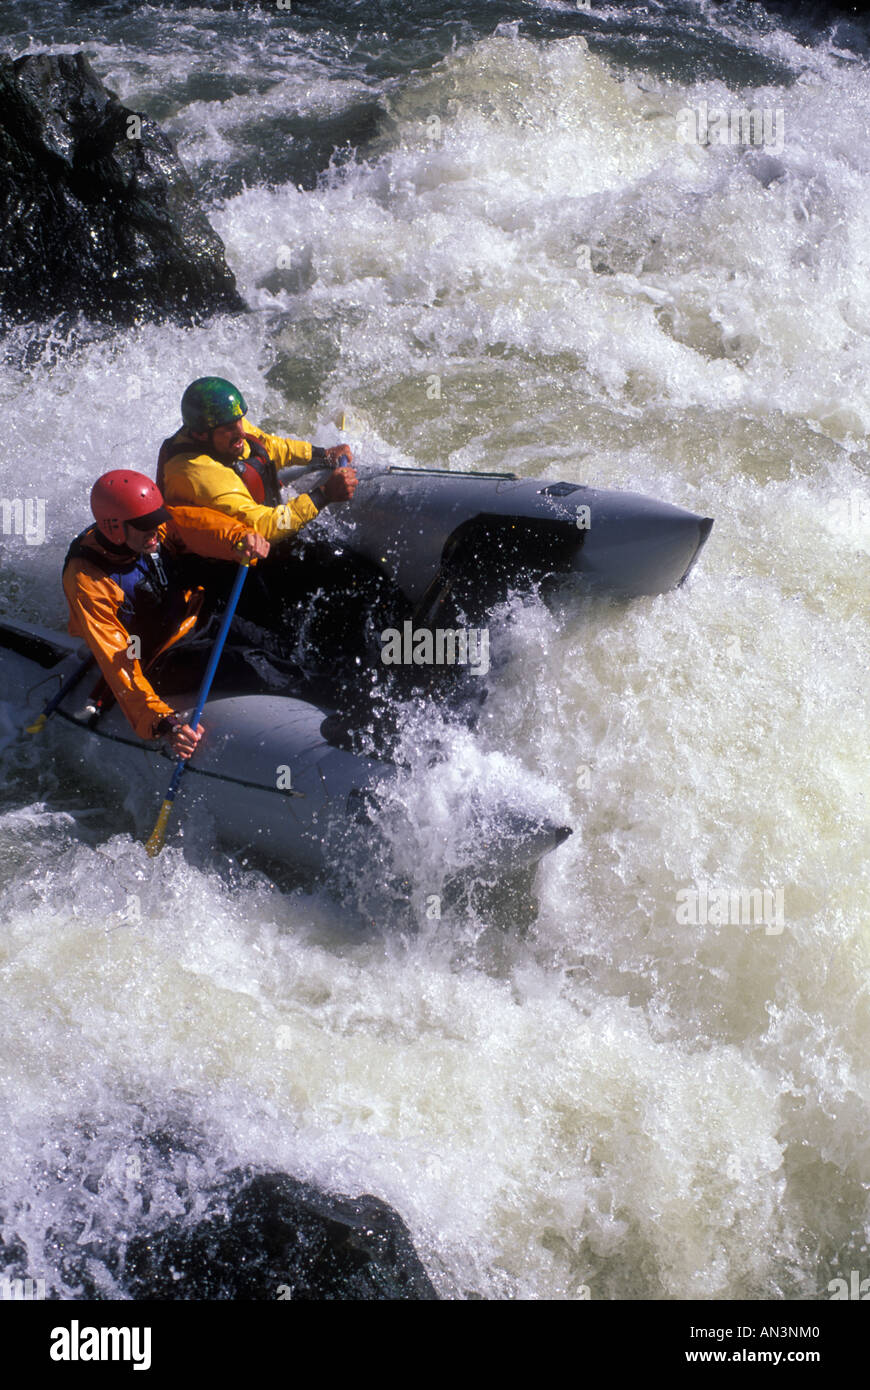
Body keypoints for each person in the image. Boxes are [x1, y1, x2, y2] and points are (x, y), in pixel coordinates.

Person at [63, 470, 269, 760]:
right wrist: (162, 722)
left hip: (195, 623)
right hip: (158, 659)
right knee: (256, 664)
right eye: (146, 526)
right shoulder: (88, 580)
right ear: (115, 528)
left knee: (273, 643)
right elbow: (117, 659)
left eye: (156, 520)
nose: (156, 530)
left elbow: (194, 523)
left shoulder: (145, 528)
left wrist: (239, 539)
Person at [156, 376, 358, 540]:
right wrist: (324, 495)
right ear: (201, 434)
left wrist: (322, 454)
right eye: (229, 428)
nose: (241, 432)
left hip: (264, 521)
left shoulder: (224, 430)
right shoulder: (197, 475)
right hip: (231, 564)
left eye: (240, 421)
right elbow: (263, 526)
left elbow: (267, 446)